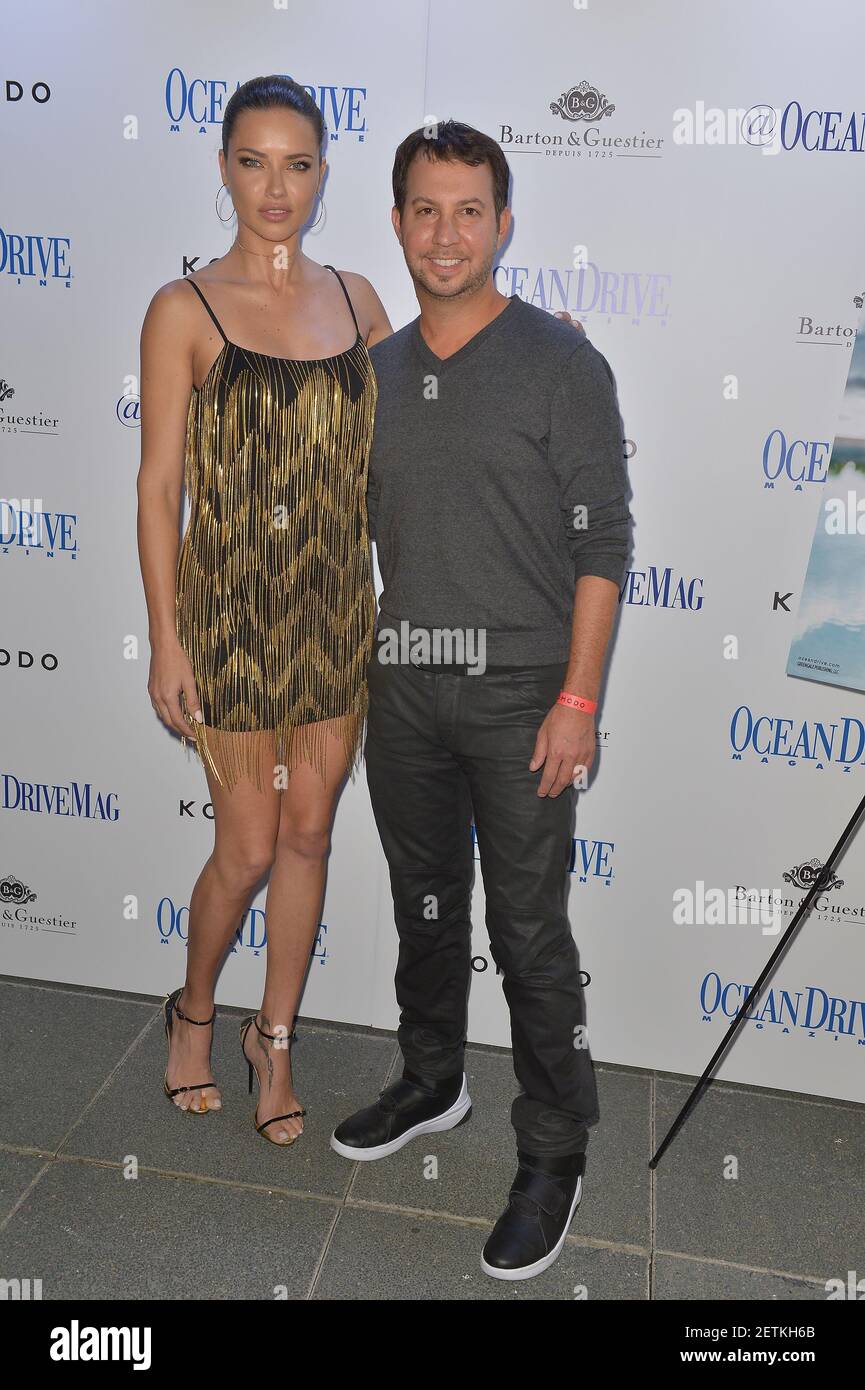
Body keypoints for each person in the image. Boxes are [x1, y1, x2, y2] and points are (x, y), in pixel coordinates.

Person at [330, 121, 633, 1280]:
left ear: (503, 224)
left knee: (528, 930)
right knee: (422, 906)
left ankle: (553, 1148)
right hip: (402, 687)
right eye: (423, 208)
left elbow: (603, 542)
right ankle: (432, 1078)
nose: (445, 231)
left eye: (469, 210)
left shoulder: (563, 362)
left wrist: (577, 699)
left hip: (521, 699)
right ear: (399, 221)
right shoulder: (378, 373)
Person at [136, 75, 392, 1145]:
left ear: (322, 172)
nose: (275, 186)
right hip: (231, 624)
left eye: (297, 163)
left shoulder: (358, 296)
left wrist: (542, 345)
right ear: (224, 168)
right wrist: (166, 638)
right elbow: (159, 486)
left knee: (309, 834)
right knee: (244, 848)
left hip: (336, 617)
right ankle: (194, 1009)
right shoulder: (182, 308)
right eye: (254, 161)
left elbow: (434, 413)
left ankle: (272, 1037)